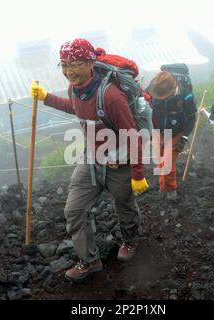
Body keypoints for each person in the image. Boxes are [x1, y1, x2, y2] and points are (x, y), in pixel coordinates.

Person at [30, 38, 149, 281]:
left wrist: (138, 174)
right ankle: (89, 260)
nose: (68, 71)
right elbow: (76, 107)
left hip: (120, 163)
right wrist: (46, 97)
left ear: (90, 63)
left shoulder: (112, 97)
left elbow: (132, 136)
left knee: (124, 206)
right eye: (63, 64)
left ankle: (130, 240)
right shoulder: (75, 89)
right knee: (74, 210)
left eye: (74, 64)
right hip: (92, 159)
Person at [147, 68, 197, 201]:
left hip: (176, 132)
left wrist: (184, 137)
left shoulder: (186, 96)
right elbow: (144, 100)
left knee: (167, 162)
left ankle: (171, 191)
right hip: (158, 131)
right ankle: (162, 186)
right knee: (159, 161)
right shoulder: (154, 88)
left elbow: (192, 117)